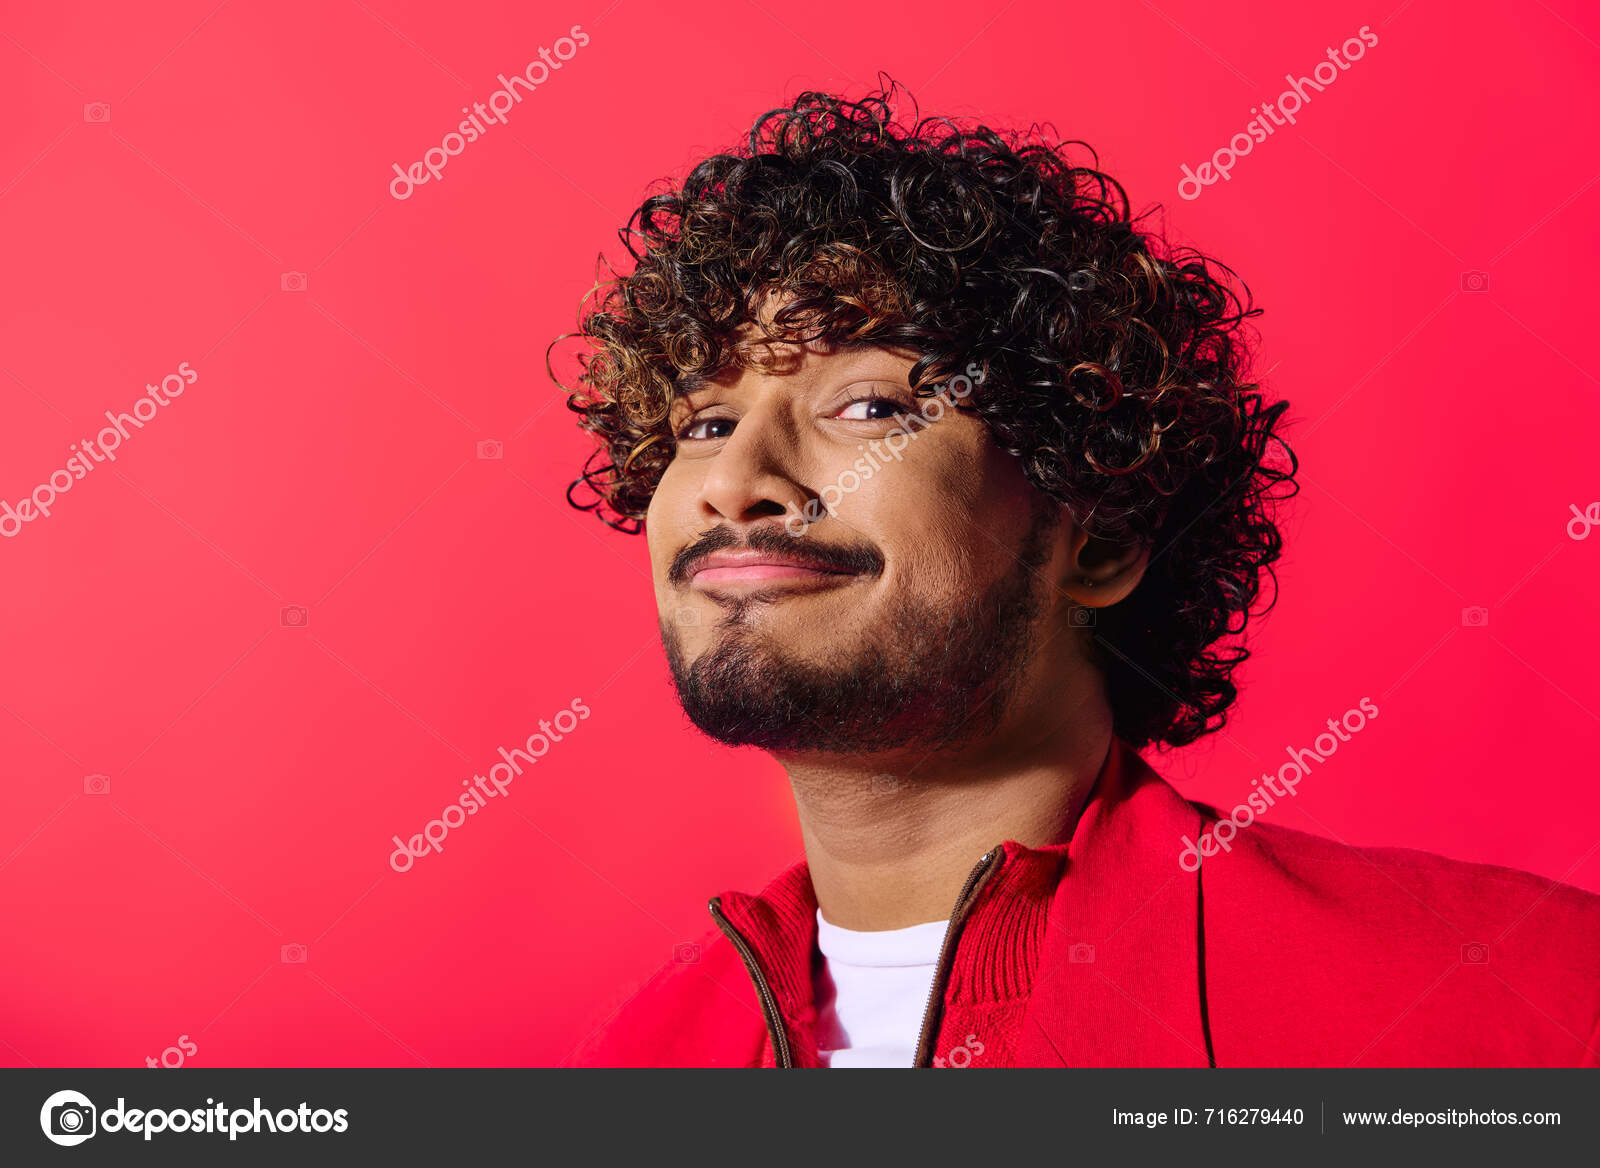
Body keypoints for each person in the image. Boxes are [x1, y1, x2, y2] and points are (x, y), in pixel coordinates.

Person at [556, 85, 1600, 1067]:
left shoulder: (1520, 1003)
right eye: (704, 423)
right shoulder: (636, 1066)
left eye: (868, 407)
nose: (734, 482)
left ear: (1095, 538)